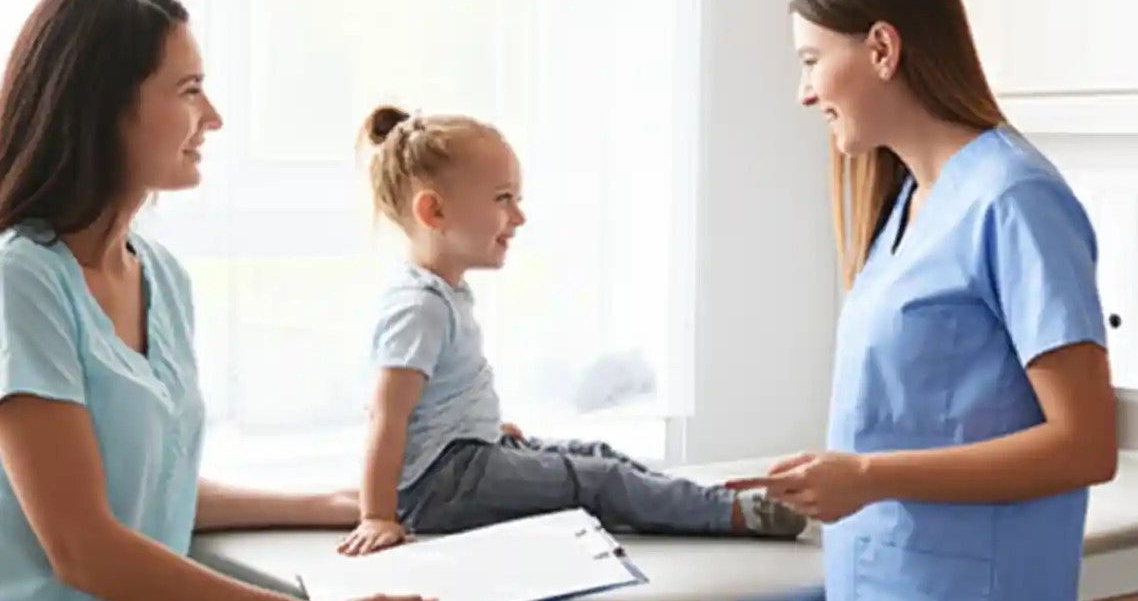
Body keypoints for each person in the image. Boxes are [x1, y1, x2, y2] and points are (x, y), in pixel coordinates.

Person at [0, 0, 432, 601]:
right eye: (190, 90)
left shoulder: (161, 277)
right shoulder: (18, 280)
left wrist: (340, 502)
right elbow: (85, 549)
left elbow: (149, 493)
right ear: (102, 105)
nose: (213, 118)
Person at [726, 0, 1119, 601]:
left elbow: (1084, 445)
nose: (804, 91)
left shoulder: (1014, 200)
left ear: (882, 48)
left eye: (812, 59)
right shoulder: (908, 203)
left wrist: (870, 476)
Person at [335, 106, 807, 556]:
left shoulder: (440, 293)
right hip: (443, 488)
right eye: (504, 200)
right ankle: (727, 514)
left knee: (596, 453)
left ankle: (698, 500)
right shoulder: (419, 306)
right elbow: (386, 416)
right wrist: (377, 515)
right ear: (435, 213)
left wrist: (481, 429)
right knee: (600, 481)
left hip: (463, 459)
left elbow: (436, 397)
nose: (518, 217)